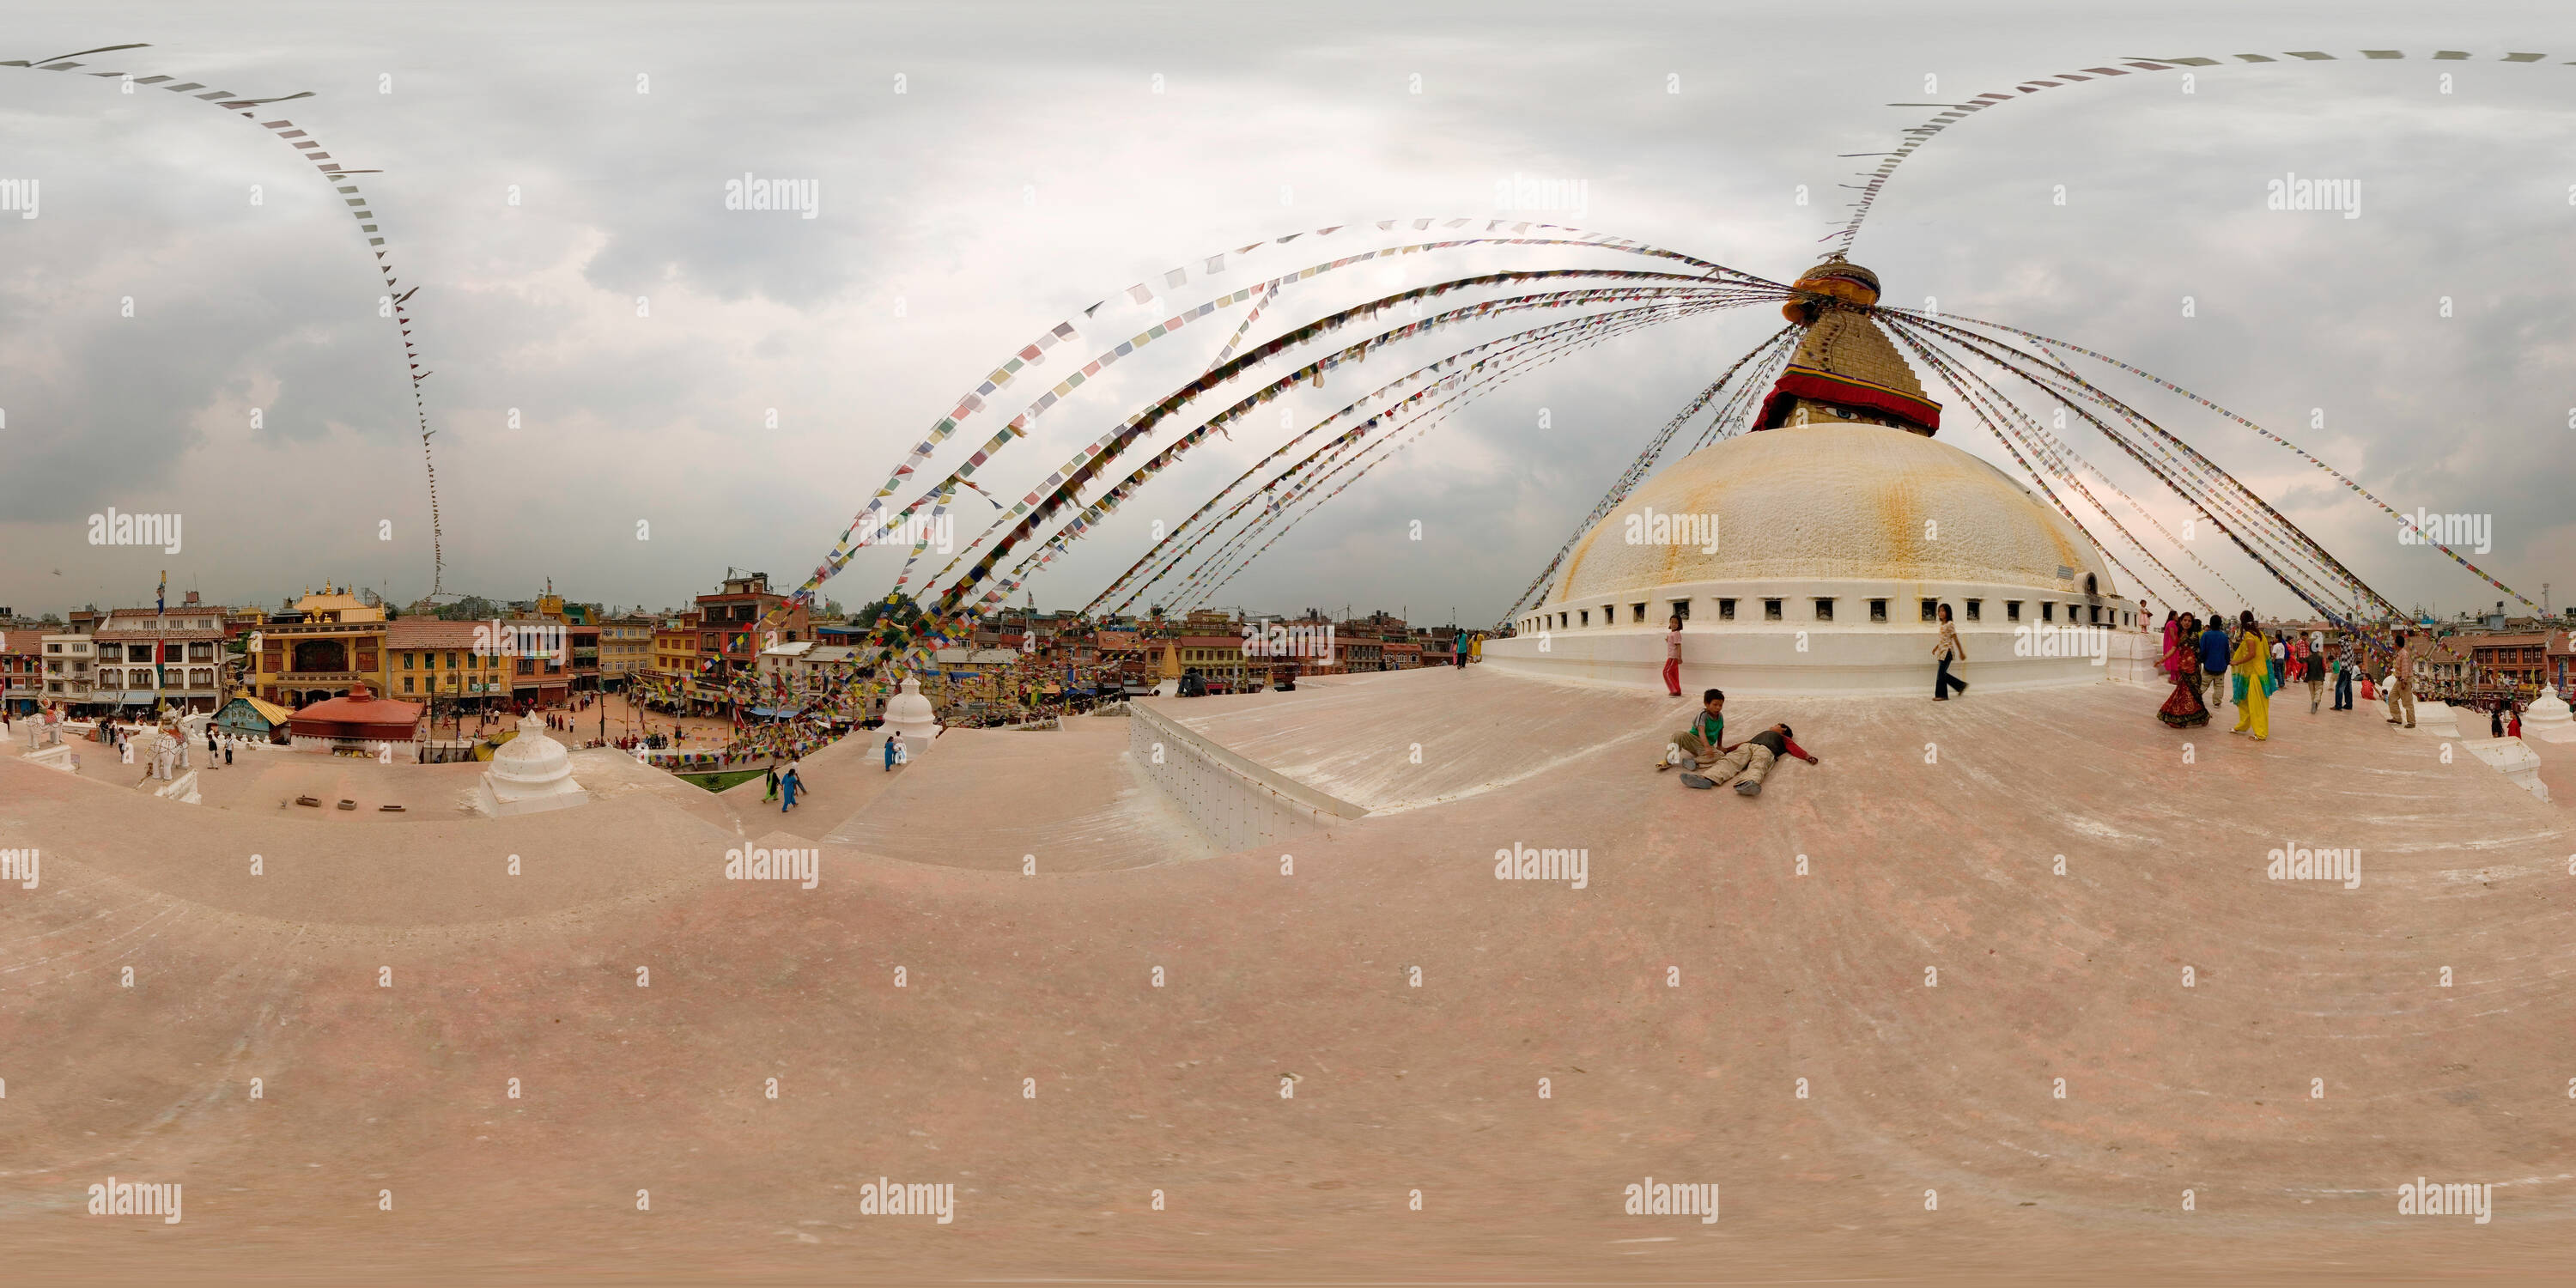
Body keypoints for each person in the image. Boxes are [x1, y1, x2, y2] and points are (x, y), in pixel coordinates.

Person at [1680, 721, 1815, 797]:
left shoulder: (1784, 738)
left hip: (1767, 750)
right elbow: (1745, 742)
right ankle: (1706, 778)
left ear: (1783, 729)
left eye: (1776, 724)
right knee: (1730, 761)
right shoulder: (1762, 733)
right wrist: (1728, 749)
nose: (1773, 725)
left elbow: (1794, 747)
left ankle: (1748, 784)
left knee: (1759, 765)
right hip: (1748, 746)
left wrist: (1807, 756)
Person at [2159, 617, 2210, 728]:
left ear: (2192, 623)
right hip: (2183, 668)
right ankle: (2184, 719)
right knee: (2182, 693)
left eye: (2189, 621)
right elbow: (2173, 649)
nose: (2187, 623)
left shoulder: (2195, 636)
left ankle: (2200, 716)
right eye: (2185, 620)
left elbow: (2199, 652)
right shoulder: (2179, 637)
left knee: (2194, 694)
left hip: (2193, 669)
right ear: (2181, 621)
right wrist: (2163, 659)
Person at [1659, 689, 1727, 773]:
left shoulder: (1720, 716)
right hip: (1694, 740)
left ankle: (1694, 762)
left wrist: (1719, 746)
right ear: (1706, 704)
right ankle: (1668, 761)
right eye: (1715, 704)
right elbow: (1701, 731)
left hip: (1705, 746)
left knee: (1720, 755)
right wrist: (1707, 747)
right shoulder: (1703, 715)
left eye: (1720, 705)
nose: (1718, 708)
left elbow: (1720, 731)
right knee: (1678, 734)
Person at [2230, 611, 2271, 740]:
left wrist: (2237, 661)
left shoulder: (2249, 635)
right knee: (2245, 702)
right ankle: (2242, 726)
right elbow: (2265, 653)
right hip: (2260, 673)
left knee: (2256, 705)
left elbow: (2252, 654)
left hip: (2255, 674)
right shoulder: (2260, 635)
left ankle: (2261, 733)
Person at [1931, 603, 1968, 701]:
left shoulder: (1950, 624)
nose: (1941, 613)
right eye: (1939, 611)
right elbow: (1943, 640)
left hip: (1947, 652)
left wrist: (1961, 652)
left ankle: (1942, 695)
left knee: (1941, 673)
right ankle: (1960, 686)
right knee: (1942, 673)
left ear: (1948, 612)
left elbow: (1955, 639)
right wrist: (1936, 647)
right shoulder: (1942, 625)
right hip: (1941, 652)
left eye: (1943, 611)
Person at [2199, 615, 2233, 711]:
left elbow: (2202, 650)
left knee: (2203, 684)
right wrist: (2226, 662)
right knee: (2219, 686)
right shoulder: (2224, 637)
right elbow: (2227, 651)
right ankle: (2217, 702)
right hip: (2221, 666)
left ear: (2210, 624)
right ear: (2220, 625)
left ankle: (2196, 697)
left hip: (2208, 665)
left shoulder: (2206, 635)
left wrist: (2203, 660)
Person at [2385, 630, 2416, 729]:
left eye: (2394, 642)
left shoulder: (2404, 654)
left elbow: (2405, 669)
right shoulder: (2399, 654)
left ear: (2397, 644)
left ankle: (2411, 722)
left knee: (2407, 702)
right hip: (2398, 680)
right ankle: (2397, 718)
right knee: (2391, 698)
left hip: (2404, 680)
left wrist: (2404, 681)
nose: (2393, 644)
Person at [1662, 613, 1686, 697]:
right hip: (1671, 656)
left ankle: (1674, 689)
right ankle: (1677, 690)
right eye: (1672, 622)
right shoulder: (1672, 633)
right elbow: (1672, 643)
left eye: (1676, 623)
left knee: (1666, 672)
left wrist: (1679, 657)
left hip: (1673, 657)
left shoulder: (1676, 633)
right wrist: (1668, 640)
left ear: (1679, 624)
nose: (1673, 624)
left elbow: (1678, 646)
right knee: (1674, 674)